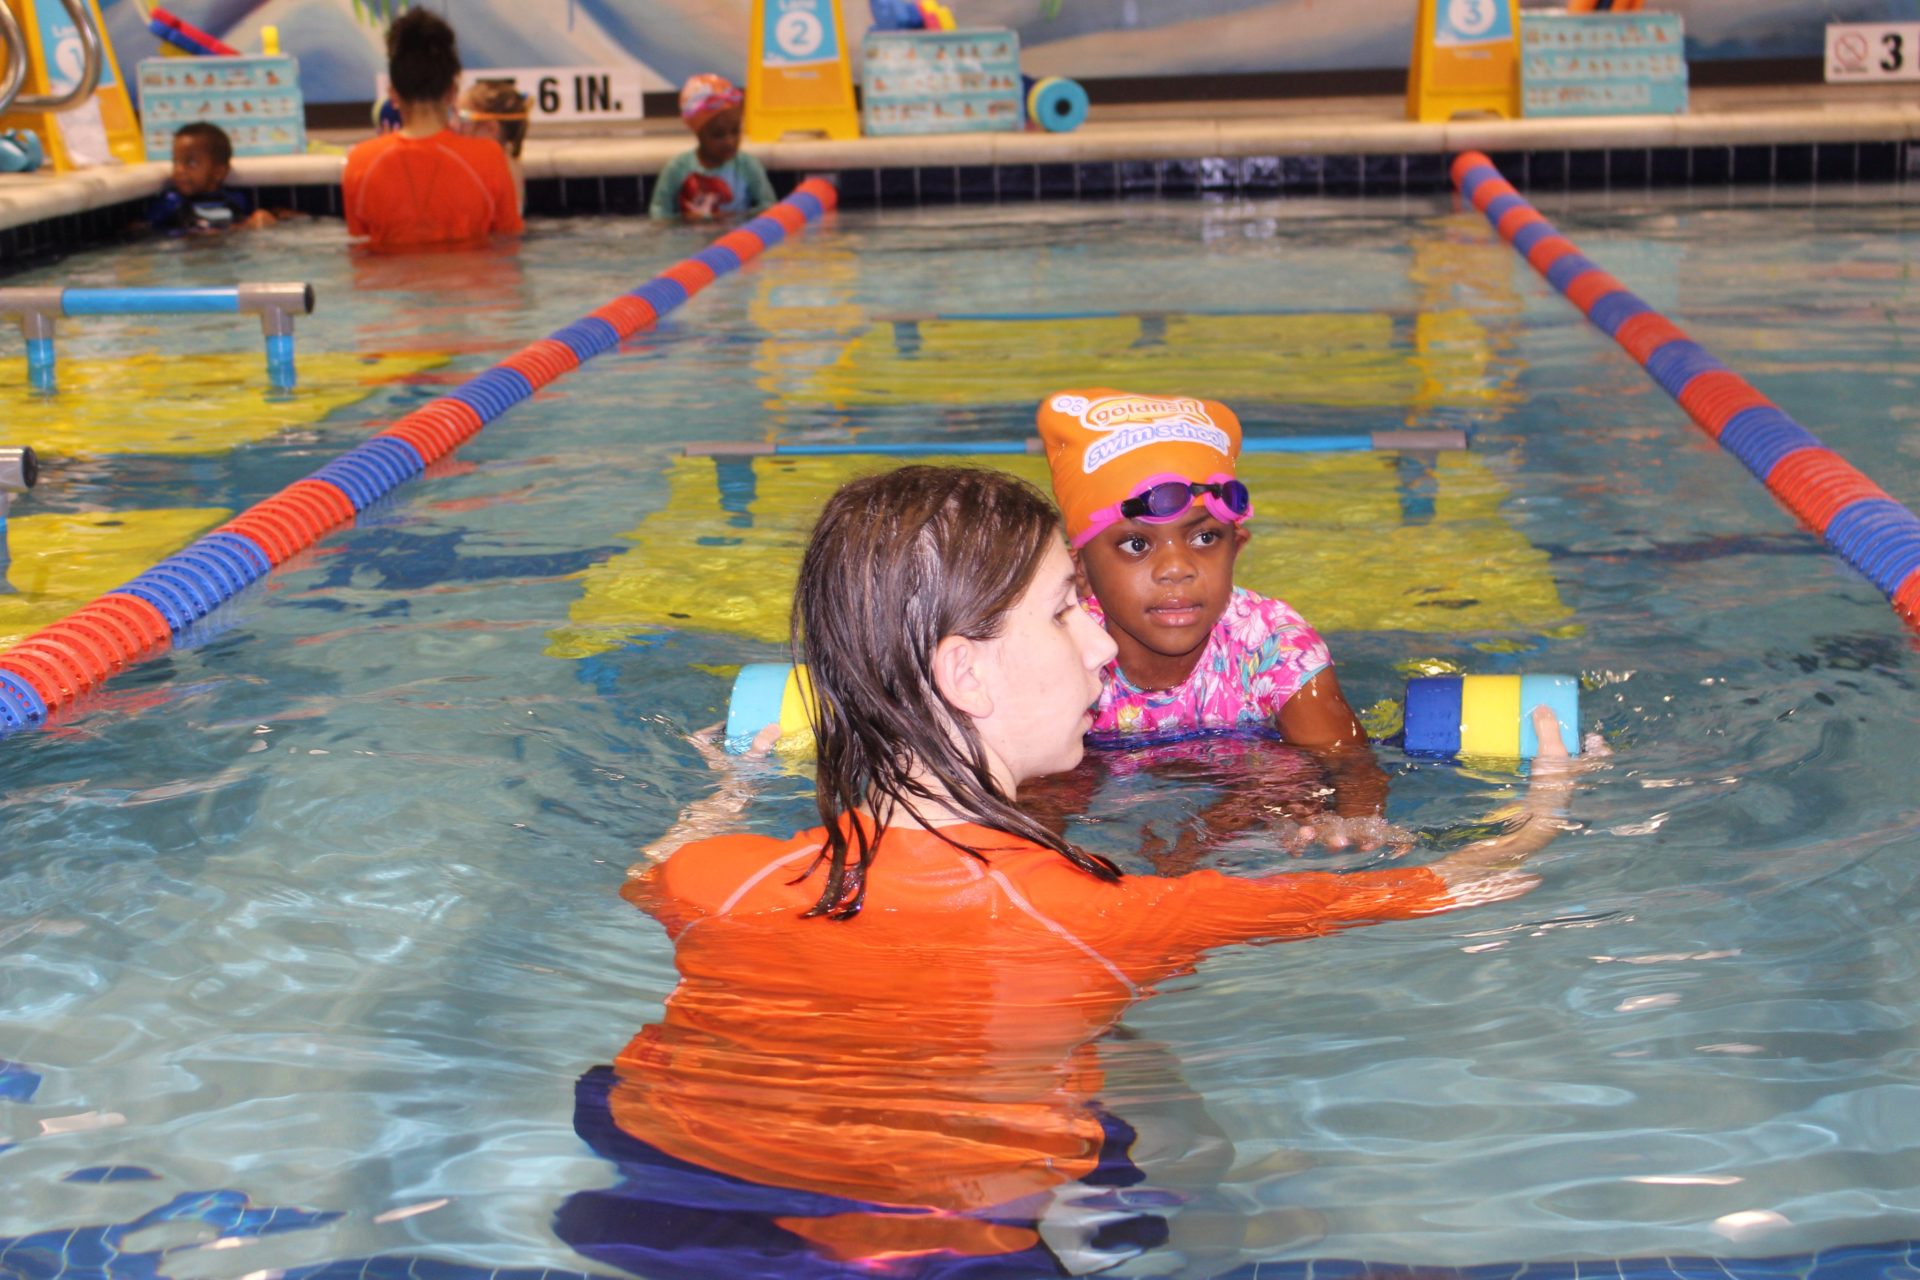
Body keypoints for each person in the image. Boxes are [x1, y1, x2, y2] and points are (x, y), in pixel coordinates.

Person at [562, 466, 1581, 1277]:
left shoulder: (719, 877)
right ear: (965, 674)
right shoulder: (1098, 913)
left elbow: (652, 867)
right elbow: (1455, 884)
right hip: (909, 1240)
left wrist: (728, 791)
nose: (1101, 633)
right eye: (1064, 609)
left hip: (662, 1167)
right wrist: (1548, 803)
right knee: (1127, 1112)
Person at [342, 9, 523, 252]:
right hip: (470, 285)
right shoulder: (489, 158)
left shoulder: (360, 162)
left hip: (391, 287)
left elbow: (360, 249)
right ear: (452, 92)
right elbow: (508, 245)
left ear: (393, 93)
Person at [648, 74, 776, 222]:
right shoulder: (677, 168)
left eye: (735, 131)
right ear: (698, 134)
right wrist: (682, 221)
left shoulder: (747, 166)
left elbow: (770, 208)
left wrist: (737, 218)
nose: (730, 141)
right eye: (718, 135)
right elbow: (659, 214)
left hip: (736, 241)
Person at [142, 123, 274, 233]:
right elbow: (147, 229)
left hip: (226, 251)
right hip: (196, 253)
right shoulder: (171, 203)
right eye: (175, 162)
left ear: (218, 172)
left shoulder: (235, 200)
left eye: (190, 163)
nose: (179, 170)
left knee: (261, 217)